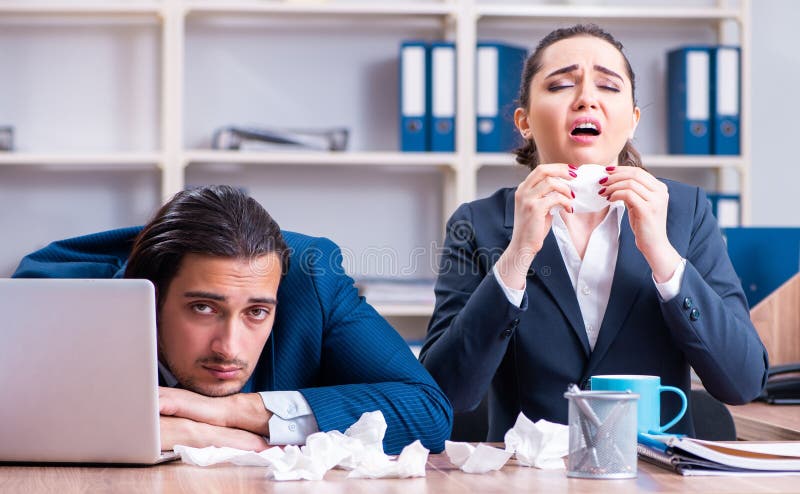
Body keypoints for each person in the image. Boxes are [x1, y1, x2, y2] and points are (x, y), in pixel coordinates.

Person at [419, 24, 767, 441]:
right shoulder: (477, 224)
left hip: (652, 478)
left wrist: (663, 257)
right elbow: (444, 394)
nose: (586, 98)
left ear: (633, 119)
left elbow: (744, 382)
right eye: (562, 84)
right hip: (527, 481)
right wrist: (517, 256)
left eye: (608, 86)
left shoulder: (686, 212)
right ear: (524, 121)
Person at [14, 185, 452, 454]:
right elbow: (18, 414)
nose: (229, 346)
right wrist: (199, 435)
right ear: (153, 293)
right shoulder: (64, 289)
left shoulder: (309, 280)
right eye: (203, 308)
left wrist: (232, 413)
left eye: (257, 313)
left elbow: (429, 411)